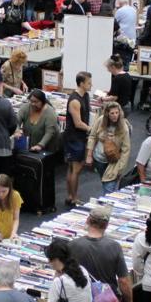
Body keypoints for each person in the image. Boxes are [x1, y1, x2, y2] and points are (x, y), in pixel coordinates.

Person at [85, 100, 132, 195]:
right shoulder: (101, 121)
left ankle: (108, 205)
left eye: (117, 113)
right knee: (106, 183)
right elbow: (92, 136)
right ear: (107, 114)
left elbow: (126, 150)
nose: (115, 115)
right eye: (112, 113)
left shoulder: (124, 127)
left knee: (108, 187)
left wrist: (120, 168)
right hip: (99, 158)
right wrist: (89, 155)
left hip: (113, 162)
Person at [61, 71, 94, 208]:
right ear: (81, 83)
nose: (91, 85)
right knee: (76, 169)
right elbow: (78, 123)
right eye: (88, 83)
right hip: (74, 138)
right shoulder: (75, 100)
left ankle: (70, 196)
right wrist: (91, 129)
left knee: (72, 168)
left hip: (78, 137)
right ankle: (73, 198)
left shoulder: (85, 96)